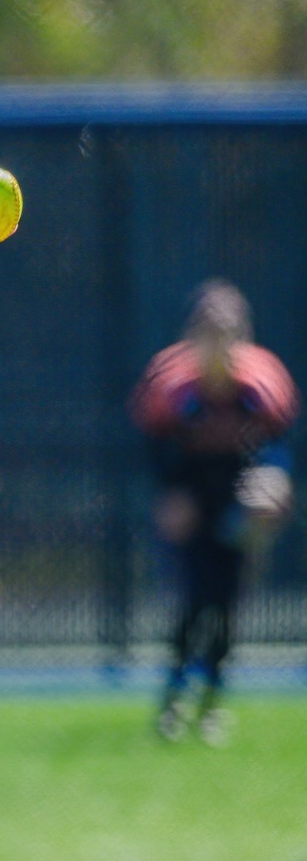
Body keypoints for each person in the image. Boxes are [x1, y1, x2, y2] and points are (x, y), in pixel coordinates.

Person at [131, 280, 297, 745]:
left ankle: (212, 703)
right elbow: (152, 447)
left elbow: (279, 445)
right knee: (191, 601)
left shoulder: (259, 387)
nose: (219, 341)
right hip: (190, 501)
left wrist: (275, 480)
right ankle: (174, 698)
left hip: (238, 501)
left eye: (228, 330)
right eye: (208, 330)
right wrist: (167, 495)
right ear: (192, 335)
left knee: (224, 606)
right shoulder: (174, 388)